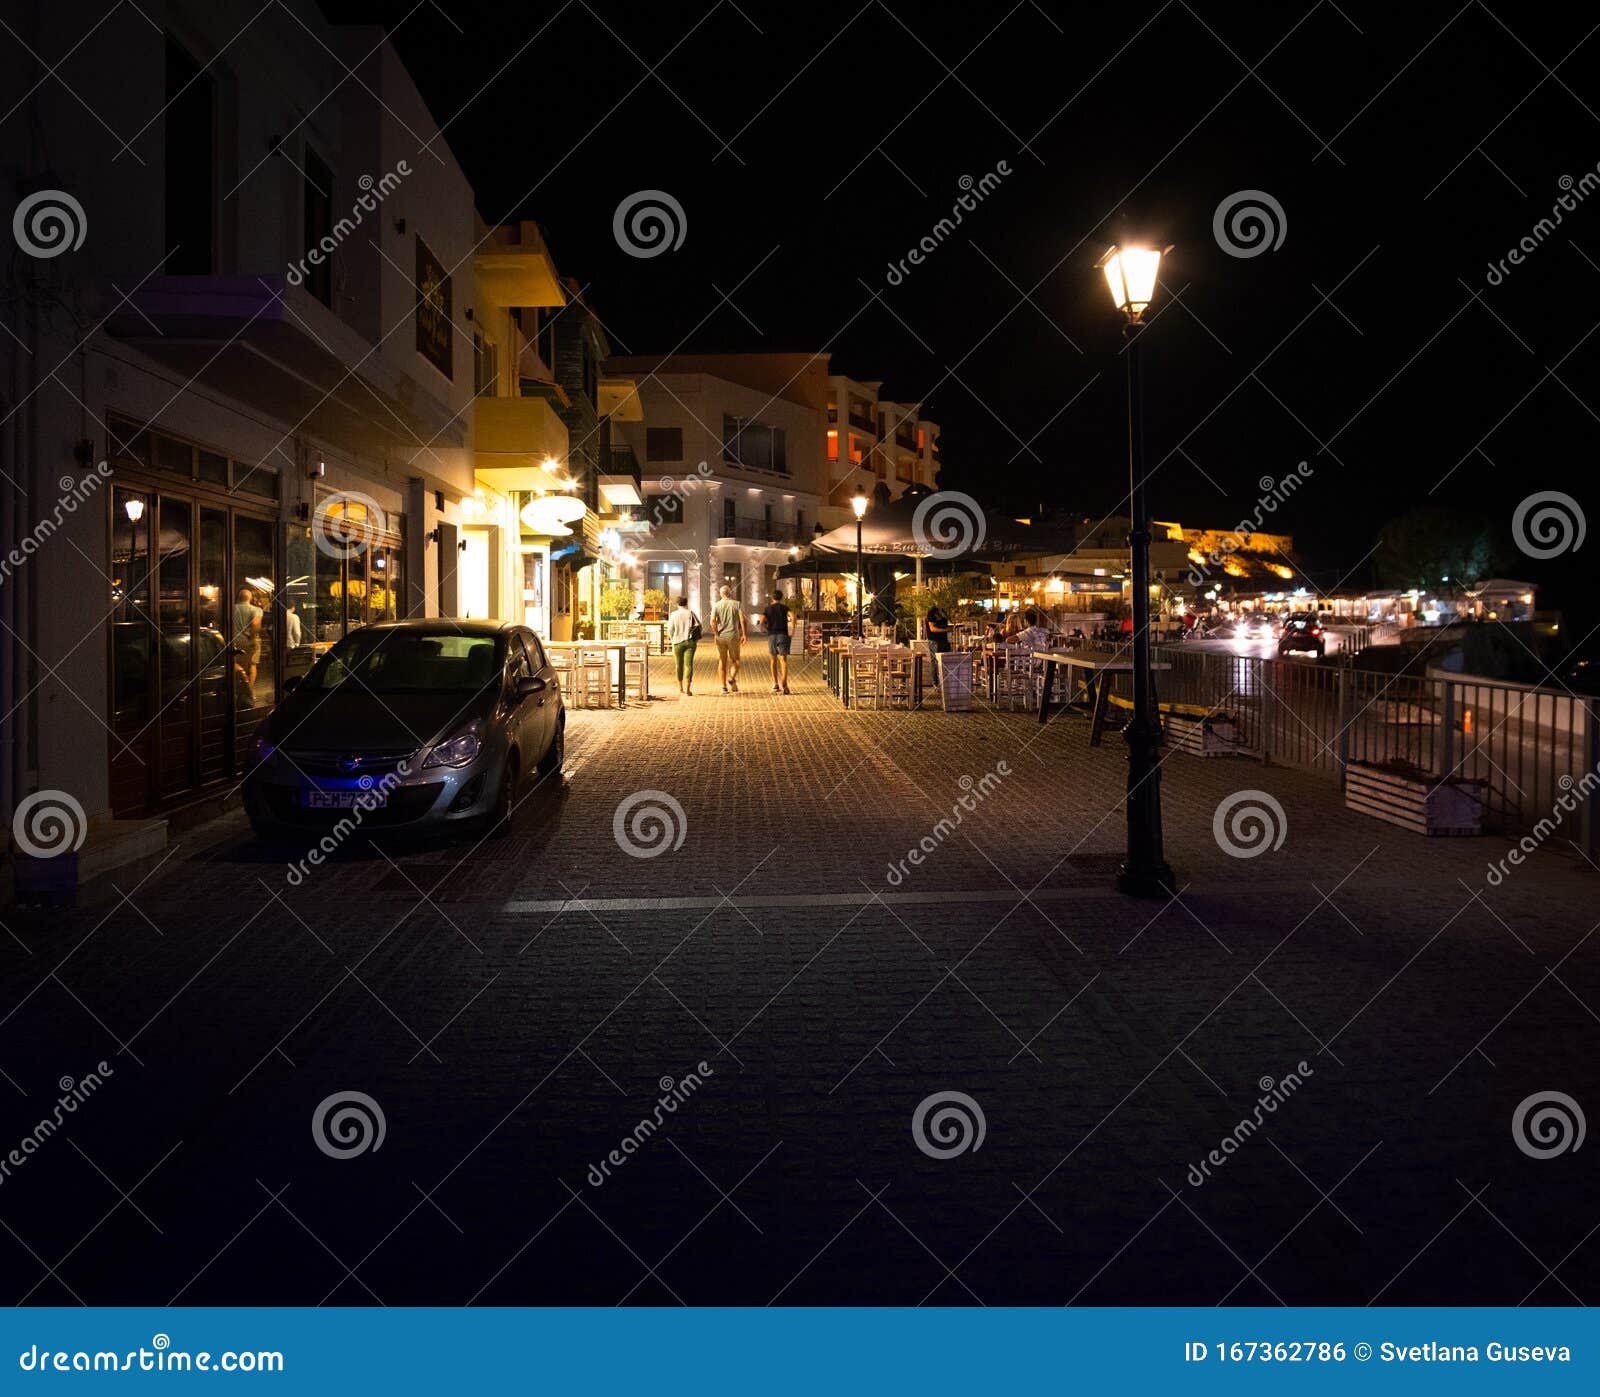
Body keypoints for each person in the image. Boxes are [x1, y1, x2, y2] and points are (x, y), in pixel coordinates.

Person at [711, 584, 745, 693]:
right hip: (733, 636)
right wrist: (744, 634)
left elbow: (712, 621)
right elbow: (742, 620)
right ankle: (732, 677)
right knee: (736, 660)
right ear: (730, 593)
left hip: (721, 636)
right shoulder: (736, 604)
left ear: (720, 594)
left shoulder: (716, 605)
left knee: (722, 661)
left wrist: (716, 634)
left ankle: (723, 687)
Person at [665, 595, 700, 696]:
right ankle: (688, 689)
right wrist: (695, 640)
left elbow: (670, 630)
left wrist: (672, 639)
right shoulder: (691, 613)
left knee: (678, 665)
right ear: (686, 603)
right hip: (690, 642)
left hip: (677, 642)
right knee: (689, 665)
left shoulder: (673, 615)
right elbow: (698, 627)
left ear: (677, 604)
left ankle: (680, 688)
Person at [762, 587, 792, 694]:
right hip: (783, 634)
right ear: (781, 598)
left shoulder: (768, 609)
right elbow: (792, 617)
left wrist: (766, 628)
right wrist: (793, 627)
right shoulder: (785, 608)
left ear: (772, 598)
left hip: (772, 635)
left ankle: (775, 683)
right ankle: (784, 681)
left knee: (773, 660)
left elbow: (762, 620)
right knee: (783, 659)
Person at [232, 586, 263, 688]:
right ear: (250, 598)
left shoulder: (230, 608)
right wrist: (252, 638)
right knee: (252, 666)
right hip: (247, 643)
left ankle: (236, 689)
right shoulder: (256, 610)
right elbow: (255, 624)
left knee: (234, 666)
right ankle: (248, 691)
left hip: (233, 642)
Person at [925, 604, 951, 687]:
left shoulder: (944, 611)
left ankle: (944, 683)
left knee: (946, 661)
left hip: (944, 640)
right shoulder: (932, 612)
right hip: (934, 640)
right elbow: (932, 629)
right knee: (935, 662)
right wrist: (946, 630)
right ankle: (936, 683)